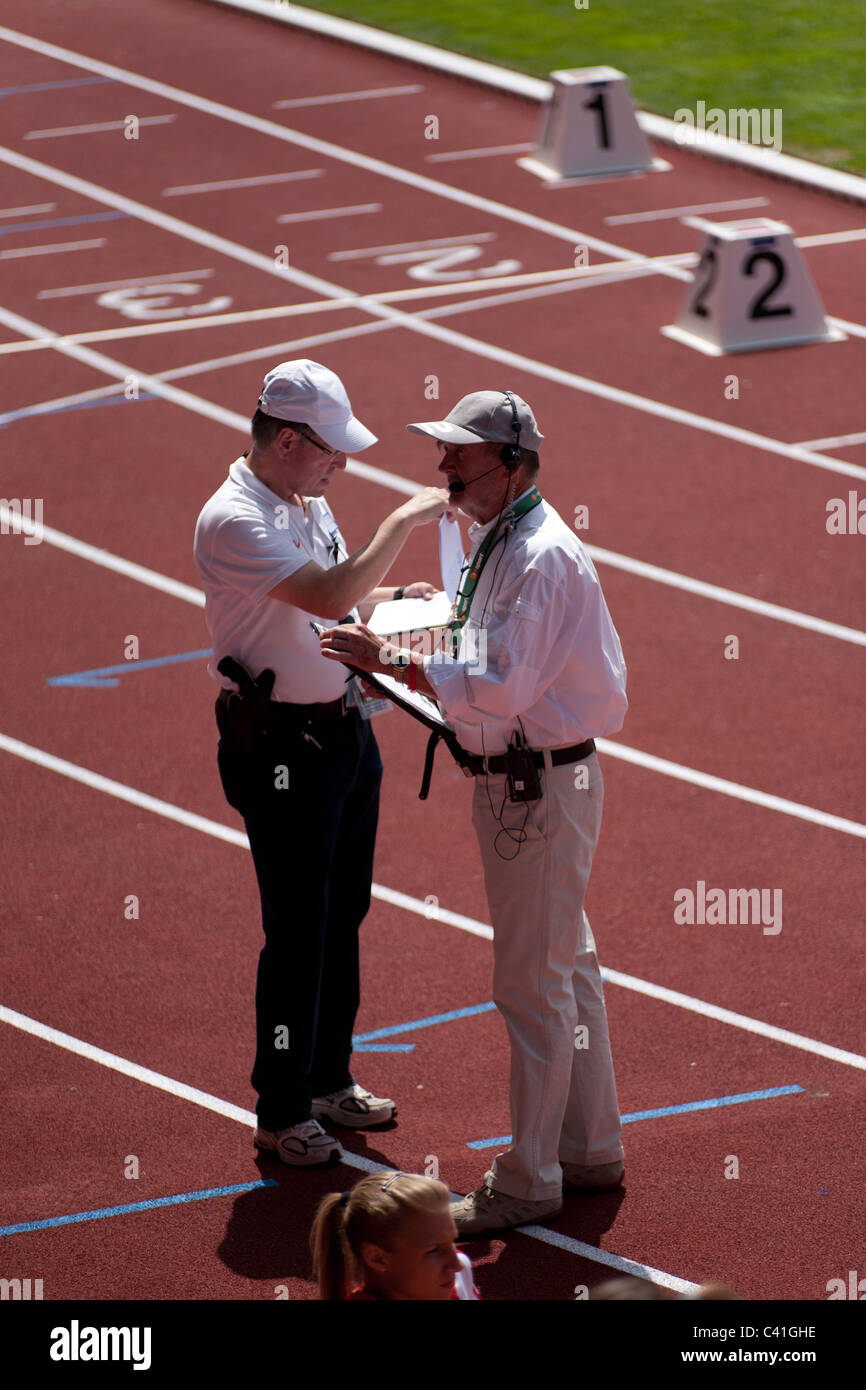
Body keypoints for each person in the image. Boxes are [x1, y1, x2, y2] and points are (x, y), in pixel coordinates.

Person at [319, 389, 628, 1233]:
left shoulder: (538, 555)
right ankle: (590, 1148)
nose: (444, 466)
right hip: (538, 781)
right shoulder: (505, 538)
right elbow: (489, 653)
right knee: (570, 971)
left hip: (536, 786)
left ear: (515, 465)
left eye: (462, 453)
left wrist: (391, 655)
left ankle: (529, 1179)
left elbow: (498, 688)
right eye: (446, 450)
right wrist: (436, 621)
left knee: (532, 987)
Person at [193, 359, 450, 1166]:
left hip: (344, 732)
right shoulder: (235, 519)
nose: (344, 462)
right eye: (333, 448)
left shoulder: (306, 499)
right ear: (291, 440)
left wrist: (393, 606)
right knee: (296, 930)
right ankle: (280, 1105)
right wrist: (402, 522)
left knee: (345, 916)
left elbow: (343, 600)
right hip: (281, 752)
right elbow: (326, 592)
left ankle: (329, 1078)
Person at [310, 1171, 480, 1300]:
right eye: (434, 1250)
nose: (455, 1264)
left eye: (451, 1242)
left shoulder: (458, 1275)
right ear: (377, 1258)